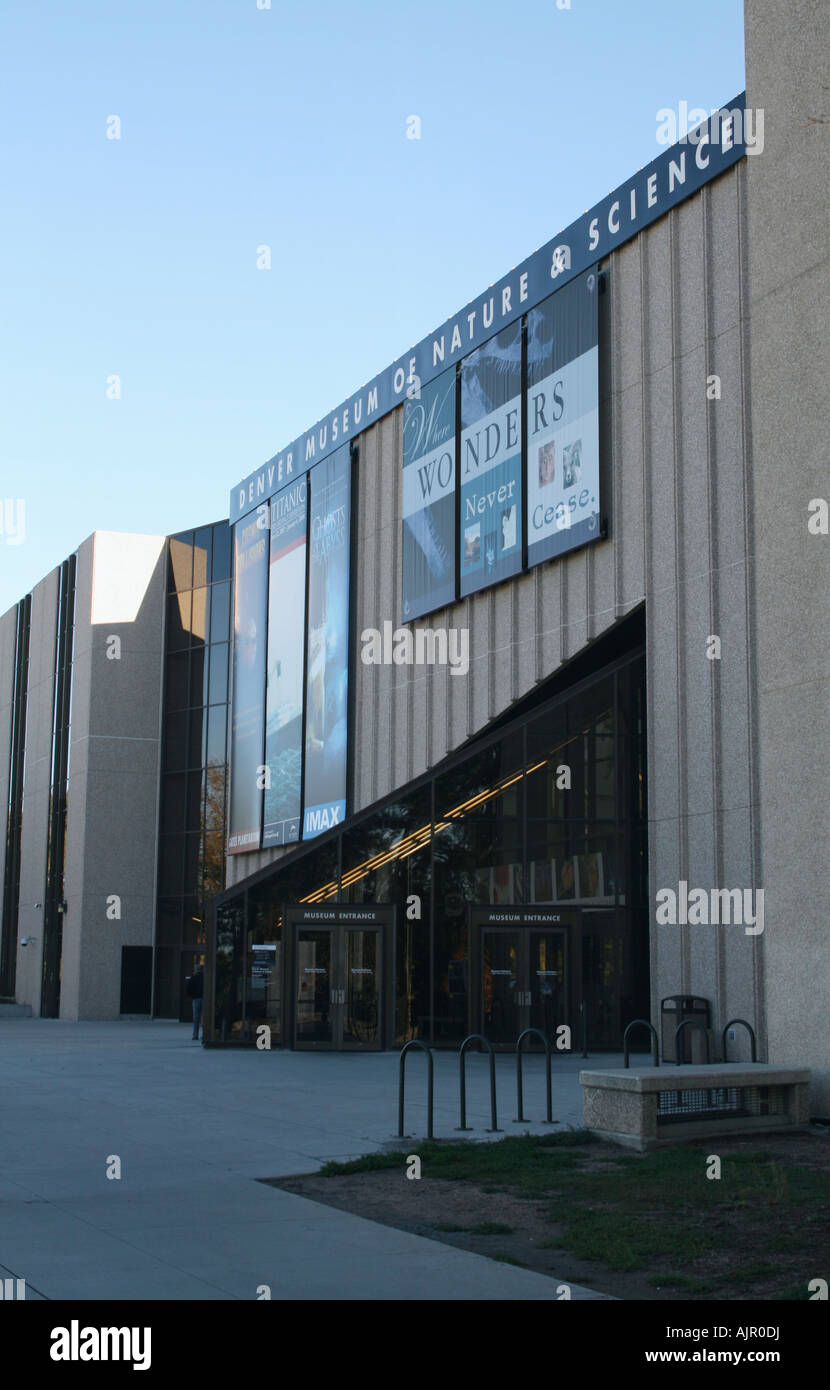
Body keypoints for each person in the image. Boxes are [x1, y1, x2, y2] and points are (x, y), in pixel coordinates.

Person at [186, 965, 204, 1041]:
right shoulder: (205, 977)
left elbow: (188, 989)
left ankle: (195, 1035)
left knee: (196, 1017)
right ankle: (205, 1035)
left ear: (196, 970)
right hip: (204, 998)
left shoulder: (193, 977)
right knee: (204, 1017)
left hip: (196, 999)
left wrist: (191, 995)